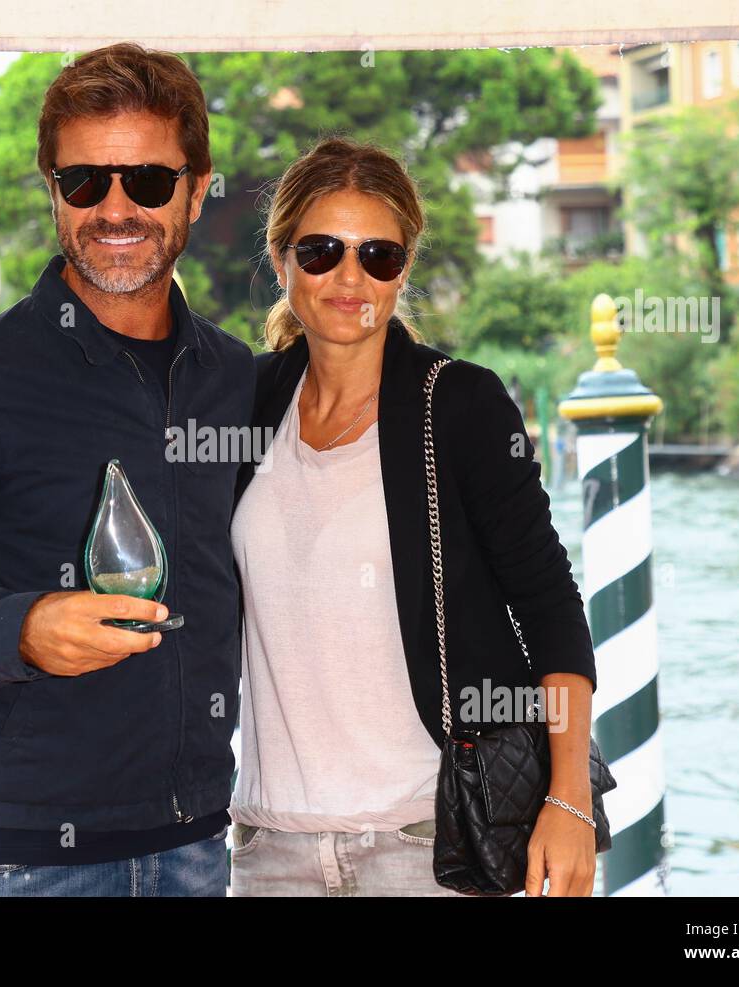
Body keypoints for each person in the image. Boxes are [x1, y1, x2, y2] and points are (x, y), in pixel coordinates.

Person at [0, 42, 255, 897]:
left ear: (198, 186)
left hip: (195, 849)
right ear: (53, 191)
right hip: (21, 863)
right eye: (84, 183)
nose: (116, 207)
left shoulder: (233, 378)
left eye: (146, 181)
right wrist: (24, 628)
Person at [229, 137, 600, 896]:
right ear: (282, 259)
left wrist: (570, 799)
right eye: (323, 250)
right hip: (272, 850)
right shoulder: (242, 403)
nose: (349, 276)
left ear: (404, 270)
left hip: (428, 846)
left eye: (379, 256)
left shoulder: (457, 404)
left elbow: (550, 606)